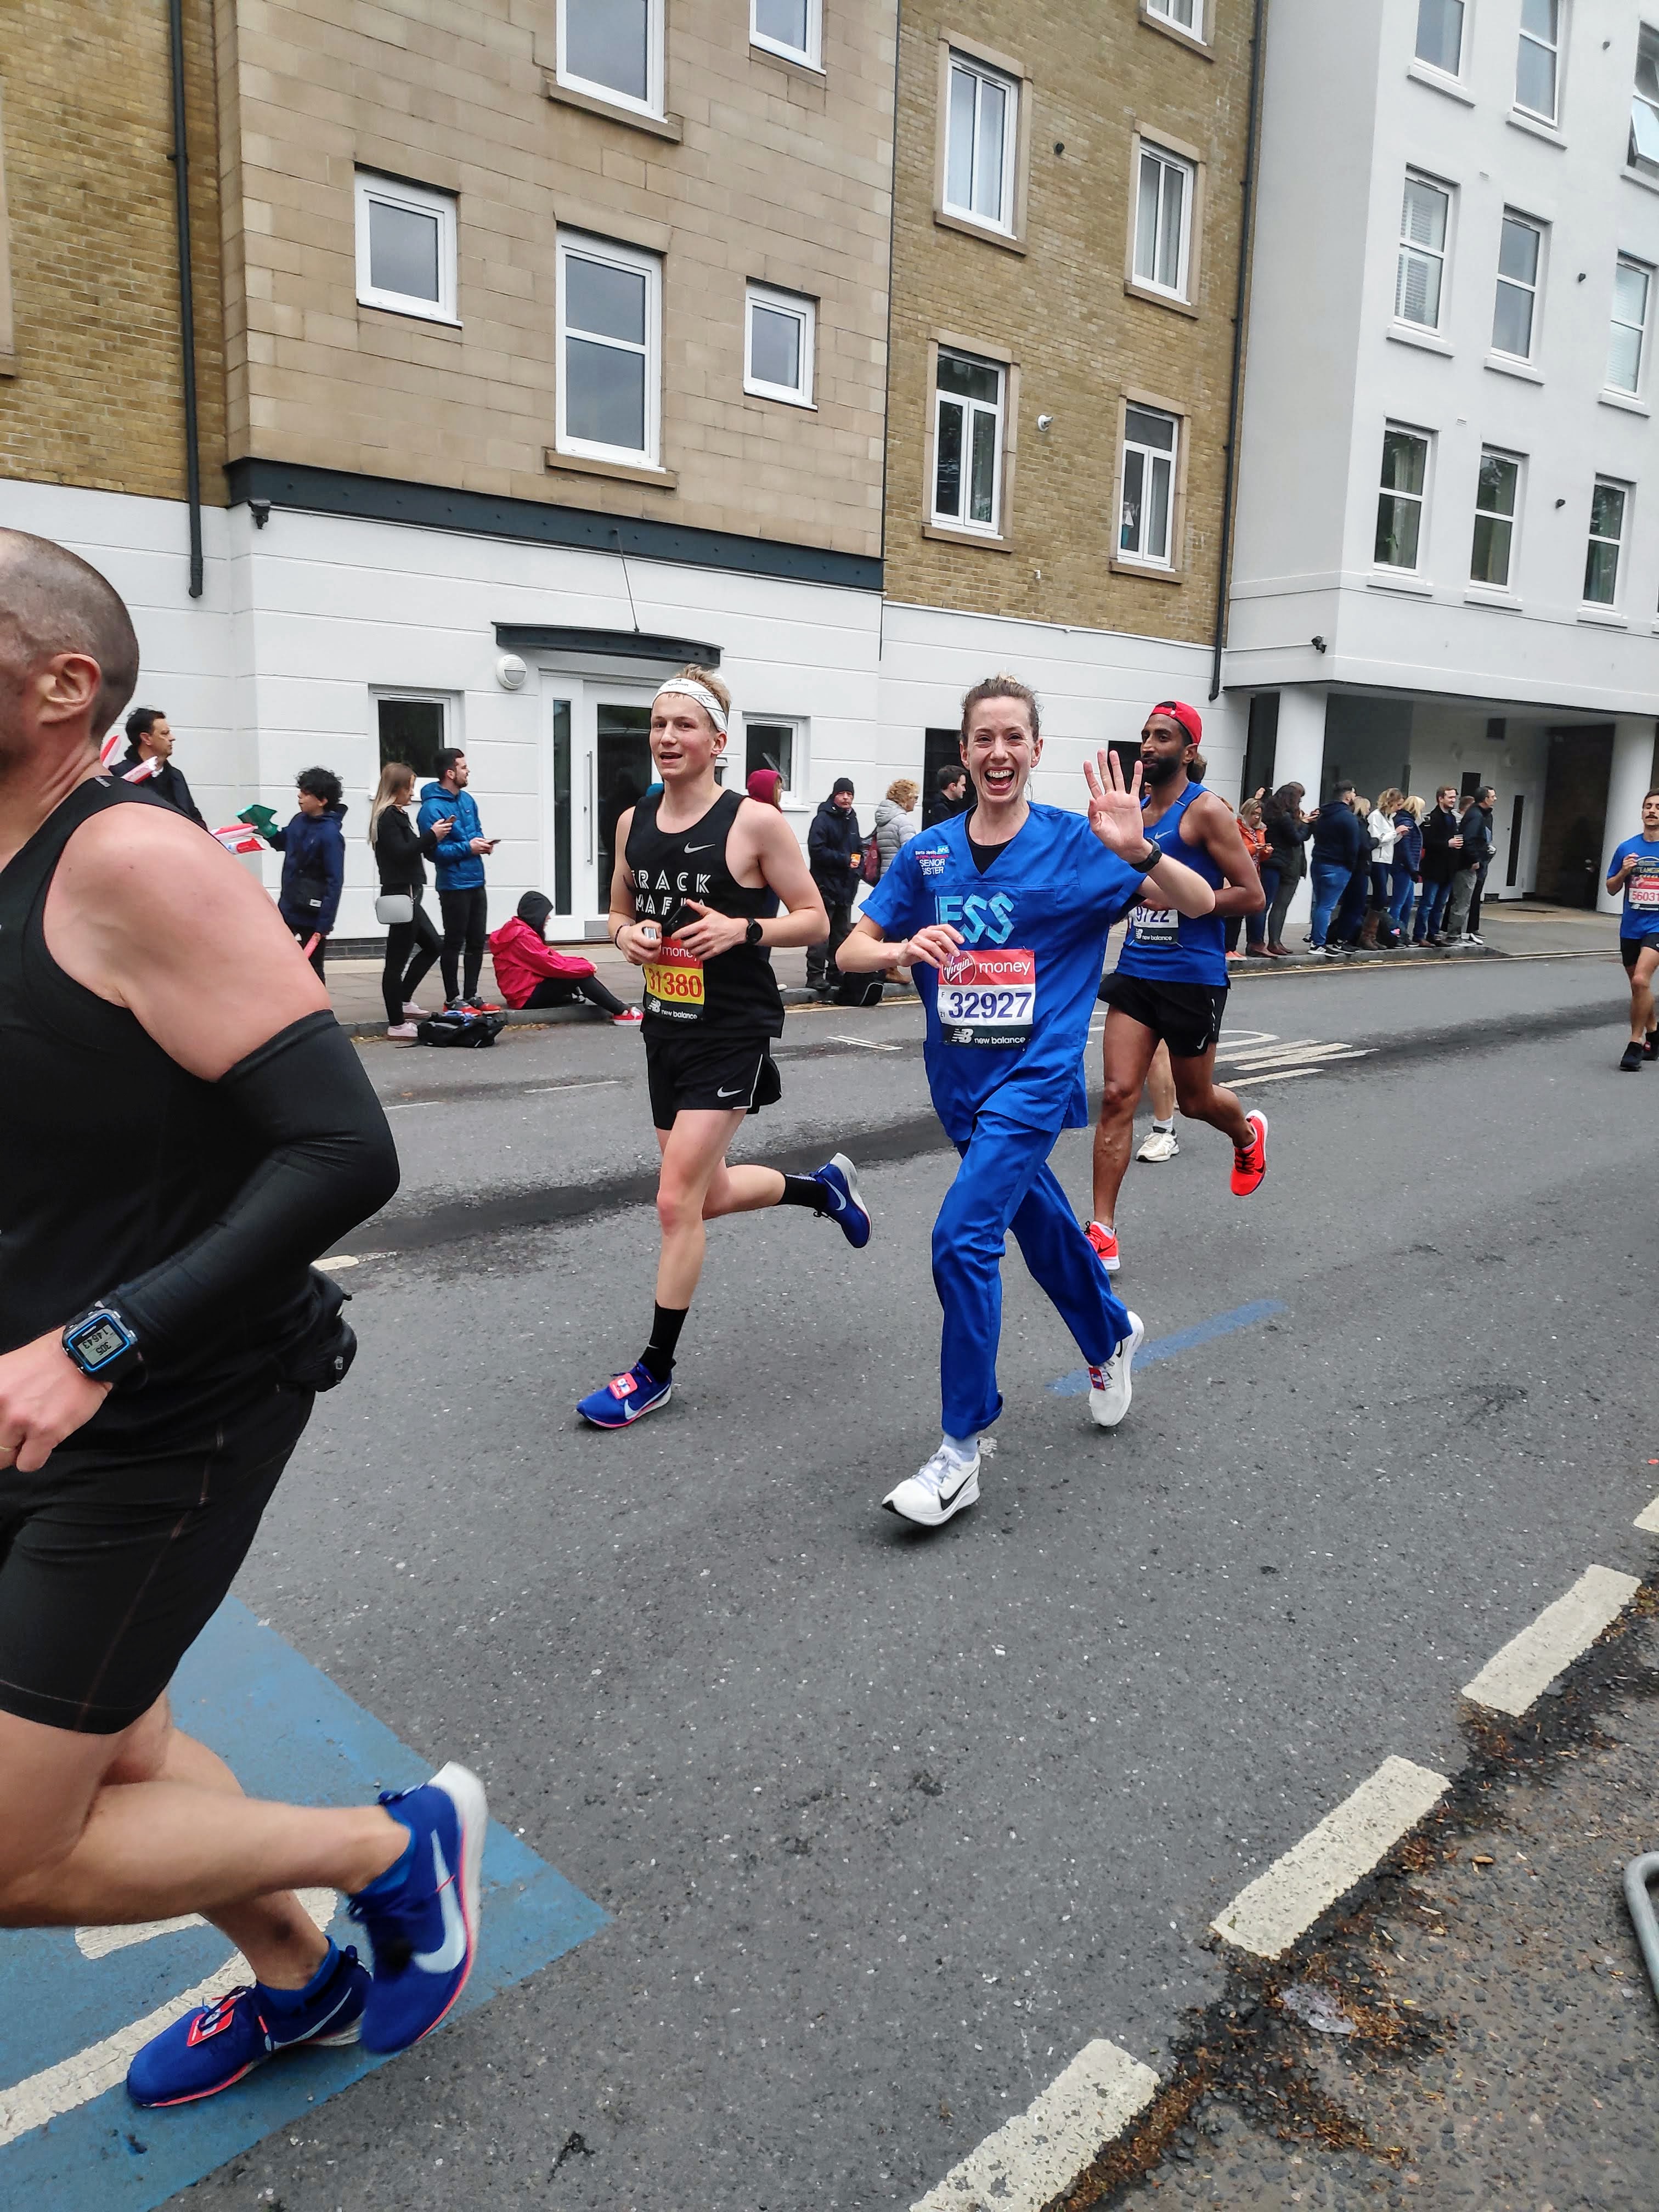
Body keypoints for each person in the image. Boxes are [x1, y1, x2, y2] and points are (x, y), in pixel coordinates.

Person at [0, 527, 486, 2111]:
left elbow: (347, 1151)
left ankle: (391, 1851)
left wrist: (97, 1343)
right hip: (27, 1393)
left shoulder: (128, 860)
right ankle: (296, 1975)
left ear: (65, 685)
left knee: (12, 1853)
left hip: (161, 1405)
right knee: (119, 1744)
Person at [837, 676, 1215, 1526]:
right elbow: (850, 948)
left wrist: (1141, 850)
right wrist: (903, 946)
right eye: (984, 739)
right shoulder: (929, 852)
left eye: (1015, 738)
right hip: (959, 1084)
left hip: (1034, 1079)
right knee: (1040, 1226)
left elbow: (1199, 904)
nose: (998, 753)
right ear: (964, 752)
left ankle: (961, 1451)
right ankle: (1110, 1331)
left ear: (1036, 751)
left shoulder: (1082, 845)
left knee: (962, 1237)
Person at [578, 668, 868, 1429]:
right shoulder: (632, 820)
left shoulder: (755, 824)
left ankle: (654, 1371)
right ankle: (822, 1191)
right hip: (665, 1029)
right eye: (658, 724)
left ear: (717, 741)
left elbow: (814, 920)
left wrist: (745, 930)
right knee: (705, 1196)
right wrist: (627, 935)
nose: (667, 738)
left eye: (683, 725)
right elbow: (614, 908)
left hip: (733, 1031)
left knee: (675, 1204)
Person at [1086, 702, 1265, 1277]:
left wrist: (1188, 898)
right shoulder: (1131, 813)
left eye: (1163, 737)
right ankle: (1103, 1231)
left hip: (1193, 976)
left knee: (1194, 1102)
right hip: (1138, 970)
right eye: (1144, 735)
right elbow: (1118, 890)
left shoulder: (1205, 812)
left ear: (1189, 751)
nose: (1149, 745)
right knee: (1117, 1095)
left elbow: (1253, 895)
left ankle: (1246, 1133)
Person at [369, 761, 448, 1039]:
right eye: (409, 788)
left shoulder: (396, 815)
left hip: (410, 893)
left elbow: (411, 850)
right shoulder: (388, 817)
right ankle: (397, 1023)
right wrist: (431, 836)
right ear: (396, 789)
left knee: (433, 945)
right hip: (402, 894)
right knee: (395, 962)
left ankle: (404, 1000)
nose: (412, 794)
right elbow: (403, 852)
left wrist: (433, 837)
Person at [418, 748, 496, 1009]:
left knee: (476, 942)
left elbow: (476, 832)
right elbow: (433, 853)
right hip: (453, 884)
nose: (468, 771)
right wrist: (469, 848)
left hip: (476, 880)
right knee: (454, 942)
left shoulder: (468, 801)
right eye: (463, 767)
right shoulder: (431, 808)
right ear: (450, 773)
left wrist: (483, 845)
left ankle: (471, 995)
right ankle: (452, 999)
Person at [488, 891, 641, 1024]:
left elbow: (549, 957)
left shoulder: (518, 931)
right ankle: (622, 1011)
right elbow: (549, 965)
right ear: (536, 914)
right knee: (581, 977)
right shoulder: (521, 937)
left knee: (576, 972)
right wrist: (585, 968)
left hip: (522, 992)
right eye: (545, 914)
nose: (548, 918)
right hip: (524, 997)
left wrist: (580, 962)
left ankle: (607, 1006)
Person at [266, 767, 346, 979]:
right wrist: (268, 830)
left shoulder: (330, 835)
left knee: (313, 968)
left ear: (322, 801)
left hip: (313, 913)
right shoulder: (299, 820)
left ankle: (319, 1010)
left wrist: (325, 924)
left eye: (306, 793)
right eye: (301, 791)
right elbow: (284, 842)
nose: (300, 796)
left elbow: (334, 880)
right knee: (276, 959)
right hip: (289, 905)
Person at [1606, 788, 1659, 1070]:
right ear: (1642, 812)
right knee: (1638, 987)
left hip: (1658, 927)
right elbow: (1611, 889)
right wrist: (1624, 872)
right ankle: (1653, 1032)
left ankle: (1635, 1043)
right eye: (1648, 806)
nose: (1652, 811)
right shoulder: (1627, 848)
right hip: (1631, 927)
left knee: (1641, 980)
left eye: (1658, 807)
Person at [806, 775, 862, 993]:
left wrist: (857, 868)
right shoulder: (823, 820)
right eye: (842, 794)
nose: (846, 799)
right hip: (825, 885)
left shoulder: (852, 819)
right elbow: (817, 850)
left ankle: (835, 972)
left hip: (845, 886)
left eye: (850, 795)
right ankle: (815, 975)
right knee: (821, 933)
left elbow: (858, 848)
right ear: (834, 795)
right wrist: (845, 860)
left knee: (841, 932)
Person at [114, 706, 207, 827]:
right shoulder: (119, 776)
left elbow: (194, 815)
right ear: (146, 738)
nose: (172, 738)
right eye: (165, 733)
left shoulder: (176, 776)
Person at [1306, 781, 1365, 956]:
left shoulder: (1322, 815)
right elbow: (1353, 847)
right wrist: (1351, 866)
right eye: (1353, 793)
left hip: (1318, 862)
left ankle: (1316, 940)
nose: (1355, 796)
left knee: (1320, 905)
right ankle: (1318, 944)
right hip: (1338, 865)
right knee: (1327, 906)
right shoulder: (1348, 818)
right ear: (1348, 796)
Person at [1260, 782, 1313, 955]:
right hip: (1283, 863)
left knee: (1266, 904)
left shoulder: (1268, 813)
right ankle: (1274, 942)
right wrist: (1305, 824)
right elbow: (1296, 839)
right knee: (1279, 905)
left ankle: (1261, 941)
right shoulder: (1284, 818)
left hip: (1269, 861)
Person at [1415, 786, 1465, 945]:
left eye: (1454, 798)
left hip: (1448, 869)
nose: (1453, 800)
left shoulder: (1452, 818)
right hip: (1434, 869)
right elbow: (1426, 842)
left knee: (1439, 906)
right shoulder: (1432, 819)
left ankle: (1434, 934)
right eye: (1450, 797)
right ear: (1440, 798)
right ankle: (1419, 935)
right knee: (1427, 904)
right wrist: (1447, 844)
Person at [1447, 786, 1494, 945]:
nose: (1495, 799)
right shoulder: (1476, 816)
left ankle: (1456, 934)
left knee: (1463, 900)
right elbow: (1469, 840)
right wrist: (1475, 860)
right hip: (1467, 865)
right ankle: (1454, 936)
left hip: (1466, 863)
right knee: (1463, 901)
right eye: (1493, 796)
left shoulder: (1476, 813)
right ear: (1485, 799)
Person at [1226, 793, 1270, 960]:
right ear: (1246, 812)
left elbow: (1259, 856)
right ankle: (1226, 947)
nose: (1257, 817)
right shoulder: (1236, 826)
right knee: (1232, 913)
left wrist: (1265, 852)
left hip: (1253, 873)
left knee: (1240, 913)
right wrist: (1254, 848)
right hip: (1236, 874)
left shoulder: (1260, 829)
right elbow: (1236, 850)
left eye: (1259, 814)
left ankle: (1232, 947)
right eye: (1254, 814)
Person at [1359, 789, 1401, 950]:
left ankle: (1371, 935)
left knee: (1381, 898)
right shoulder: (1376, 816)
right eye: (1398, 804)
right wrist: (1394, 833)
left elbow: (1390, 841)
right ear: (1390, 802)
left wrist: (1398, 835)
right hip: (1377, 859)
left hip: (1386, 859)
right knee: (1380, 897)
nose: (1399, 808)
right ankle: (1367, 936)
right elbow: (1376, 840)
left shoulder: (1390, 818)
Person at [1391, 795, 1425, 943]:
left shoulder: (1403, 819)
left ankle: (1402, 932)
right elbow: (1405, 849)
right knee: (1399, 903)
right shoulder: (1407, 822)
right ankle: (1394, 934)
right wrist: (1412, 869)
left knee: (1407, 901)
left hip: (1404, 867)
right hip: (1404, 867)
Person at [873, 778, 921, 876]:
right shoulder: (903, 822)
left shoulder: (885, 820)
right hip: (899, 877)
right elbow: (910, 855)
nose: (916, 802)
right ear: (906, 798)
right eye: (915, 798)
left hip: (885, 876)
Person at [922, 763, 969, 829]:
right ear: (953, 786)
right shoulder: (940, 809)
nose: (965, 790)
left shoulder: (949, 806)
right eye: (963, 785)